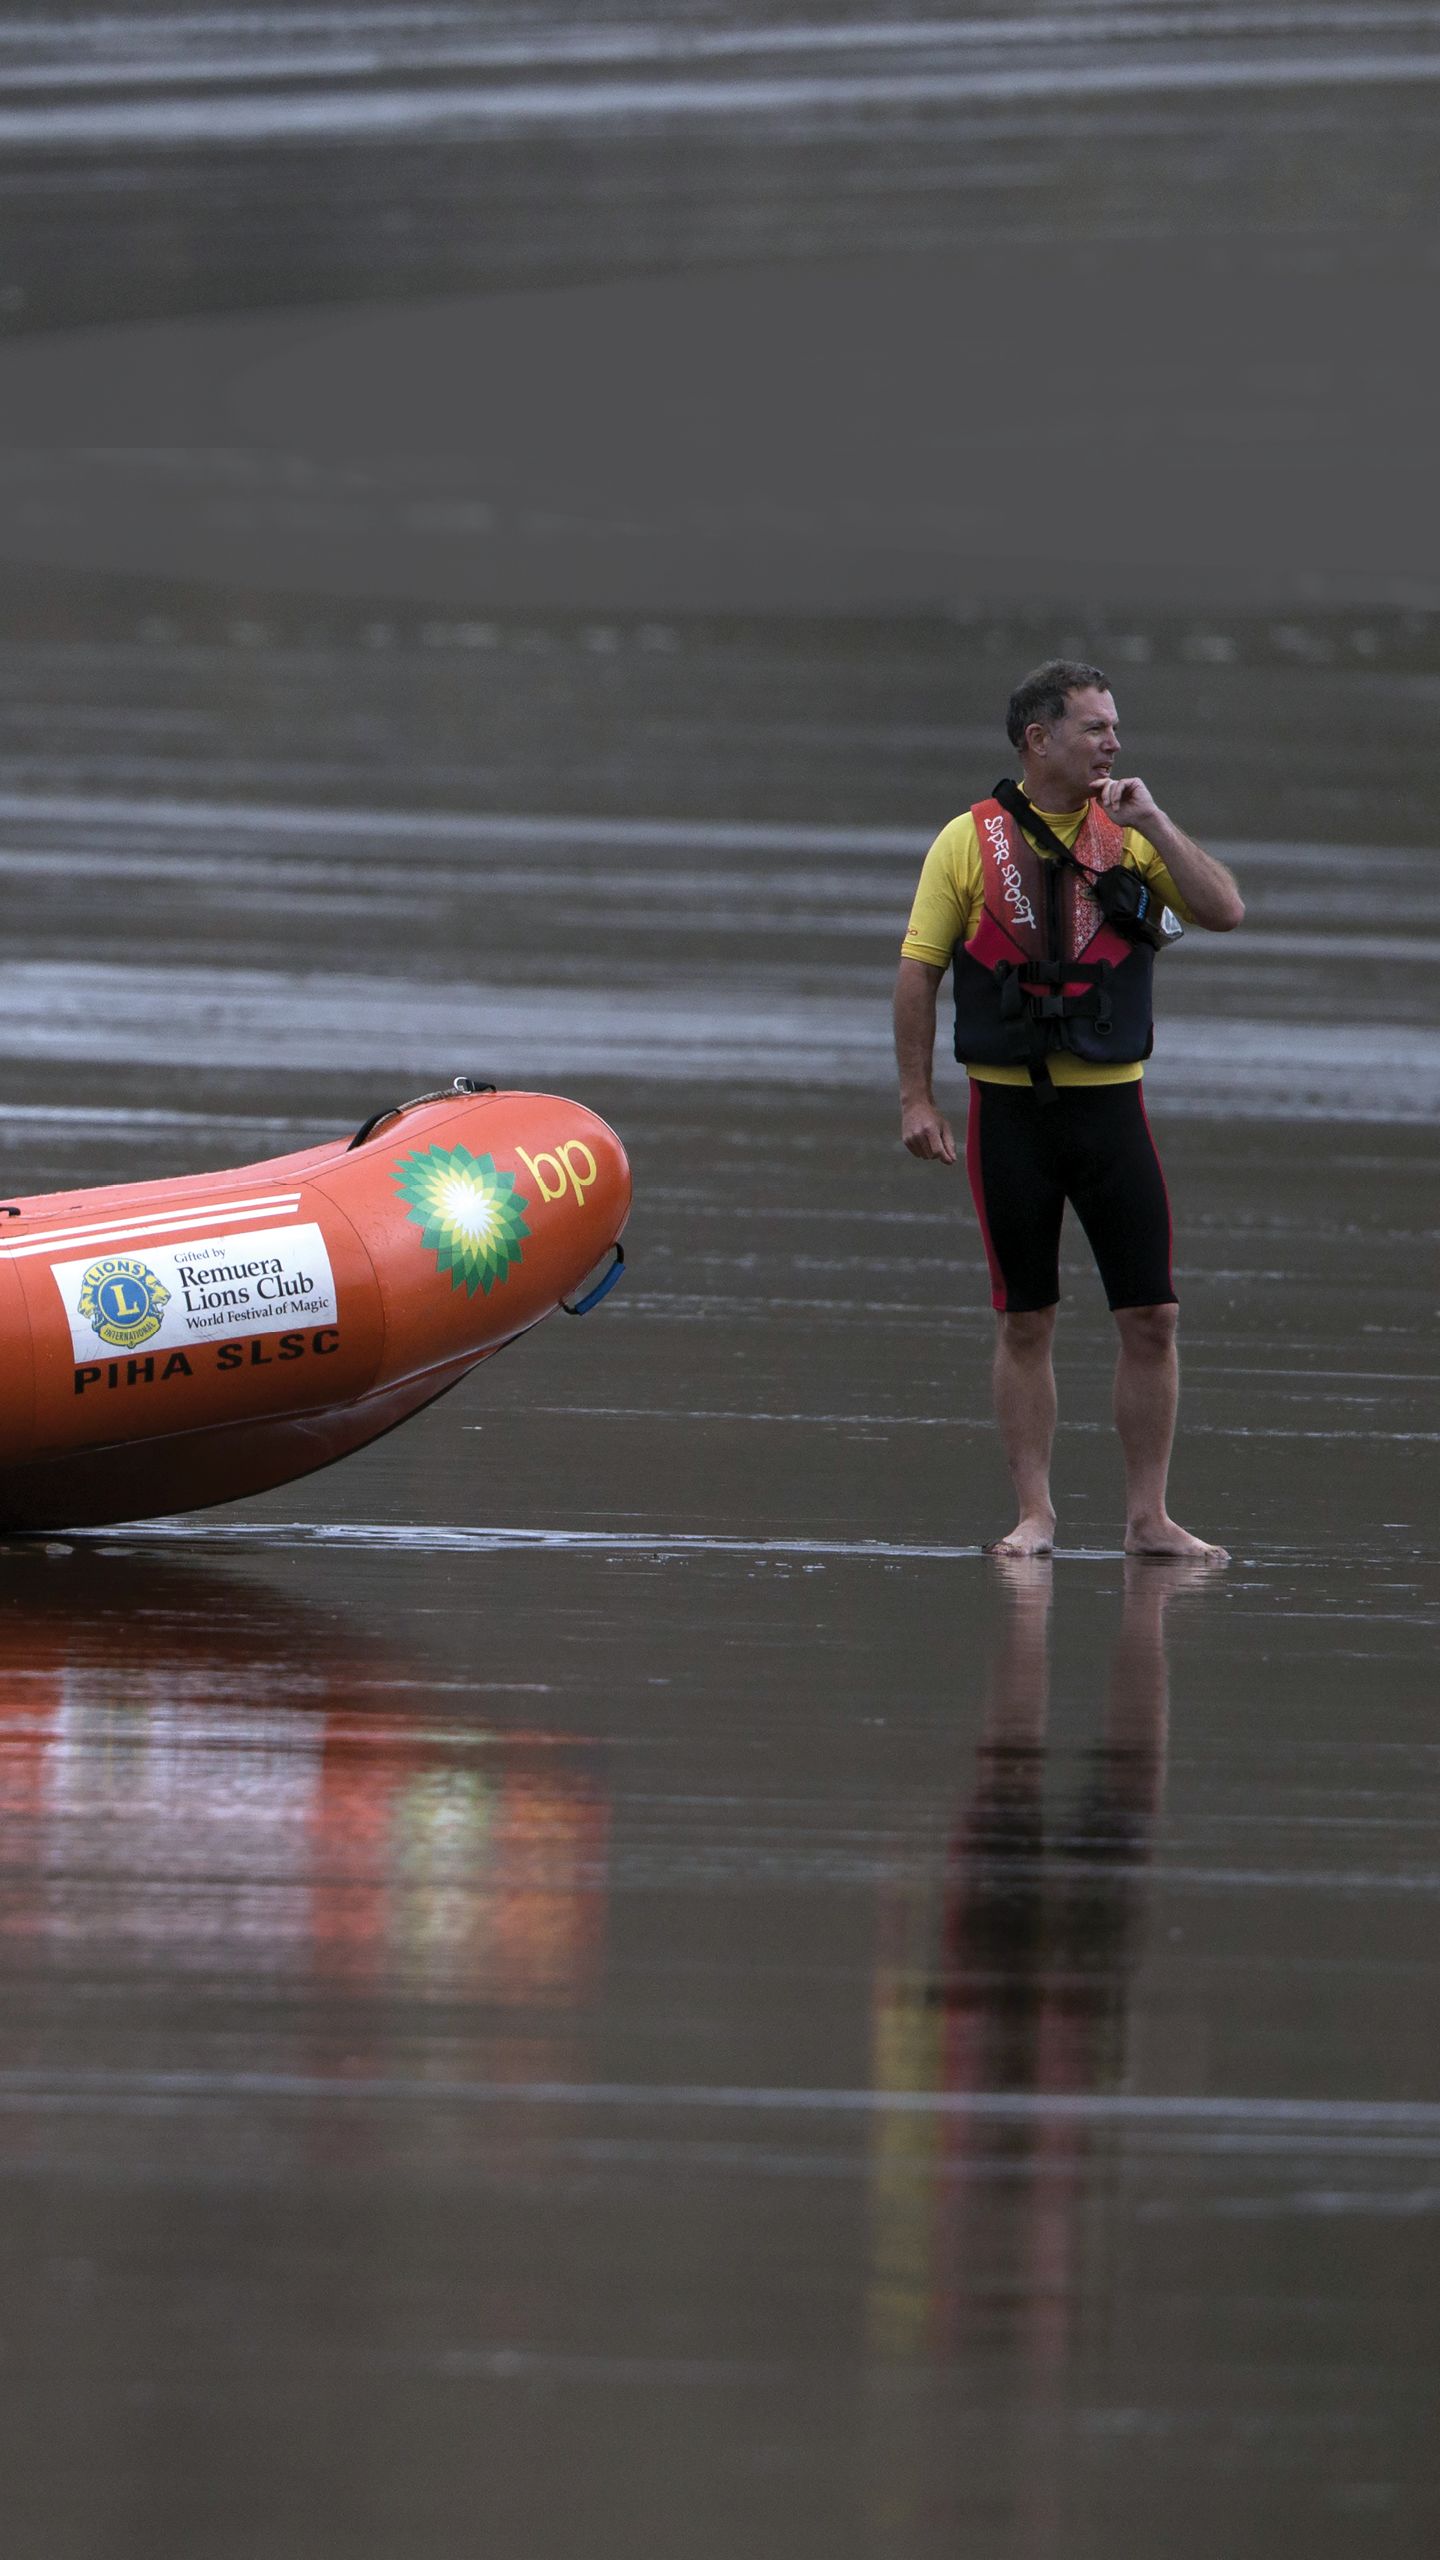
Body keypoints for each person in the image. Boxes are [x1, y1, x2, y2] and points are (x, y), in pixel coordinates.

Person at [892, 658, 1244, 1559]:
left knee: (1153, 1316)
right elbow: (919, 973)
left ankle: (1148, 1518)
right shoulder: (965, 843)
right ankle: (1035, 1515)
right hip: (1007, 1117)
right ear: (1037, 739)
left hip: (1111, 1115)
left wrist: (1154, 821)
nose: (1113, 742)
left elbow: (1224, 911)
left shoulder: (1128, 837)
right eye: (1094, 727)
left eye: (1114, 726)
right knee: (1025, 1318)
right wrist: (917, 1099)